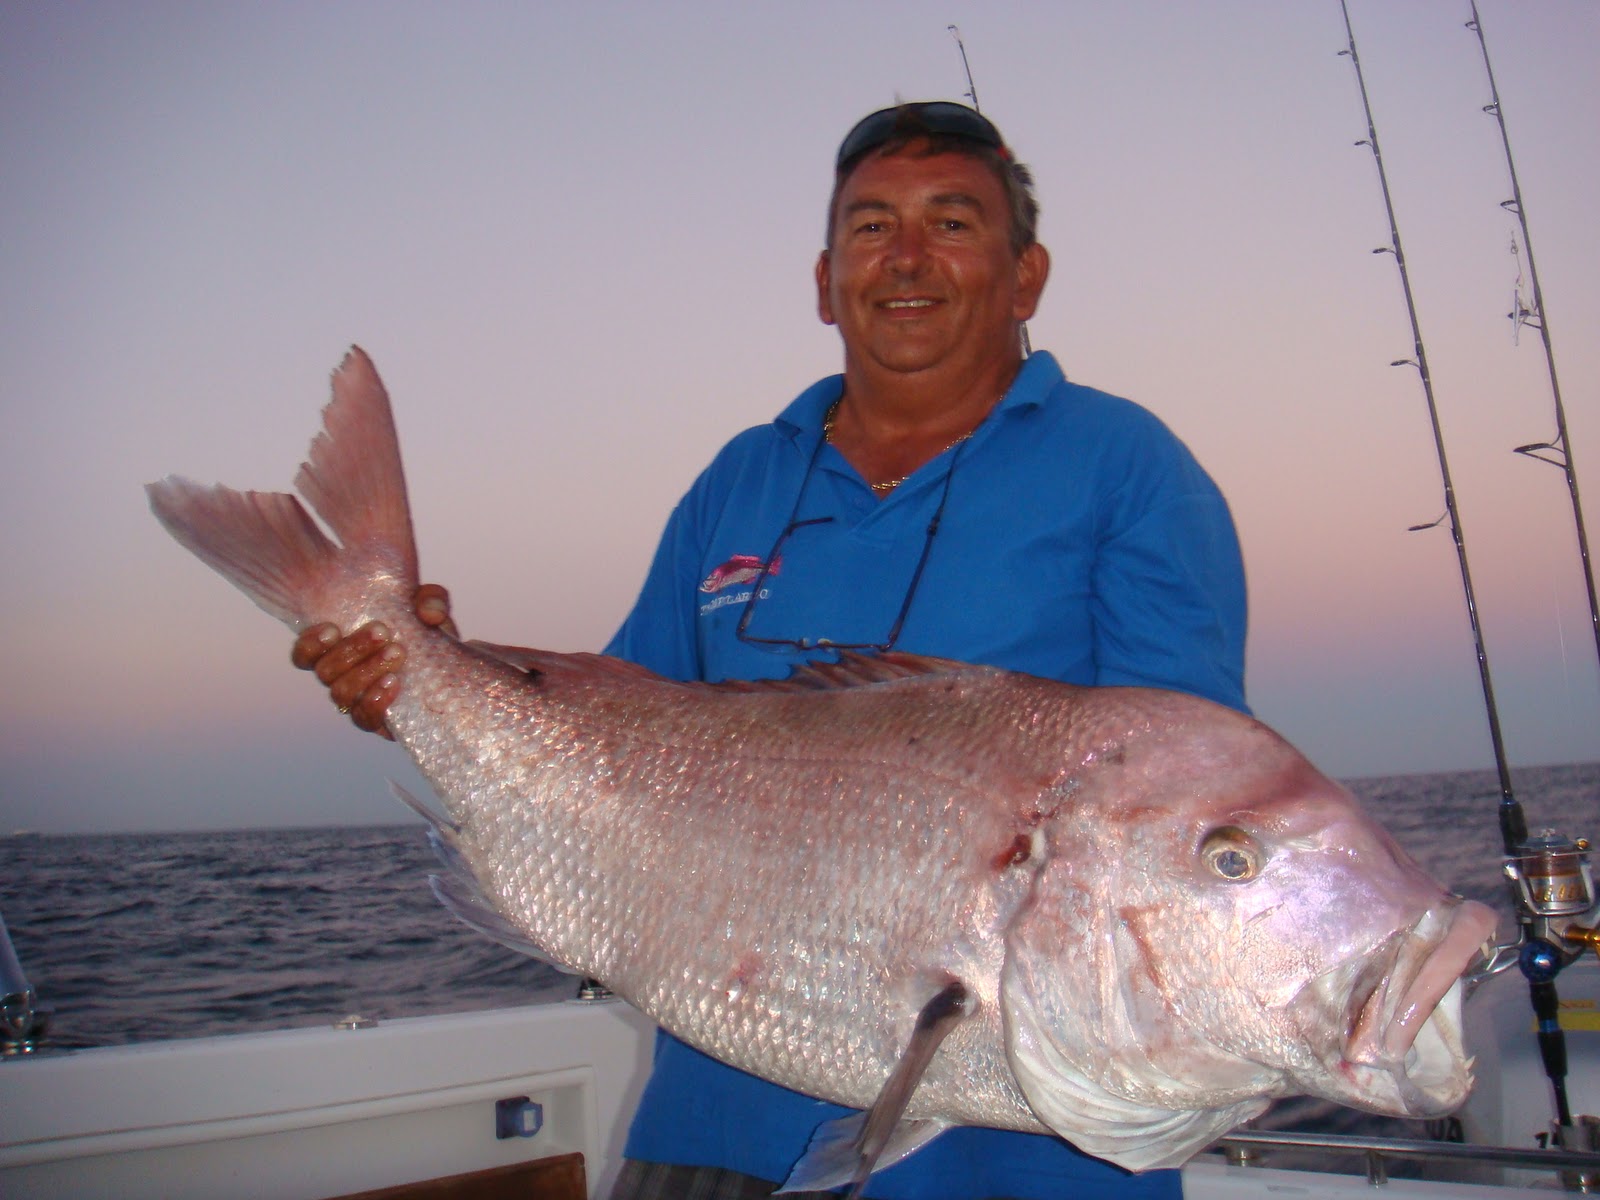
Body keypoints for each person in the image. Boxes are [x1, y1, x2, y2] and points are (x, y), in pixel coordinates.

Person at [297, 102, 1247, 1200]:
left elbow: (1183, 801)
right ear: (822, 277)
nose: (905, 257)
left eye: (951, 223)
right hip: (719, 1111)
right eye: (869, 226)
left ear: (1025, 277)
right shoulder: (744, 475)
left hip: (1029, 1144)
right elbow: (618, 727)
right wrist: (423, 676)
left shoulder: (1124, 465)